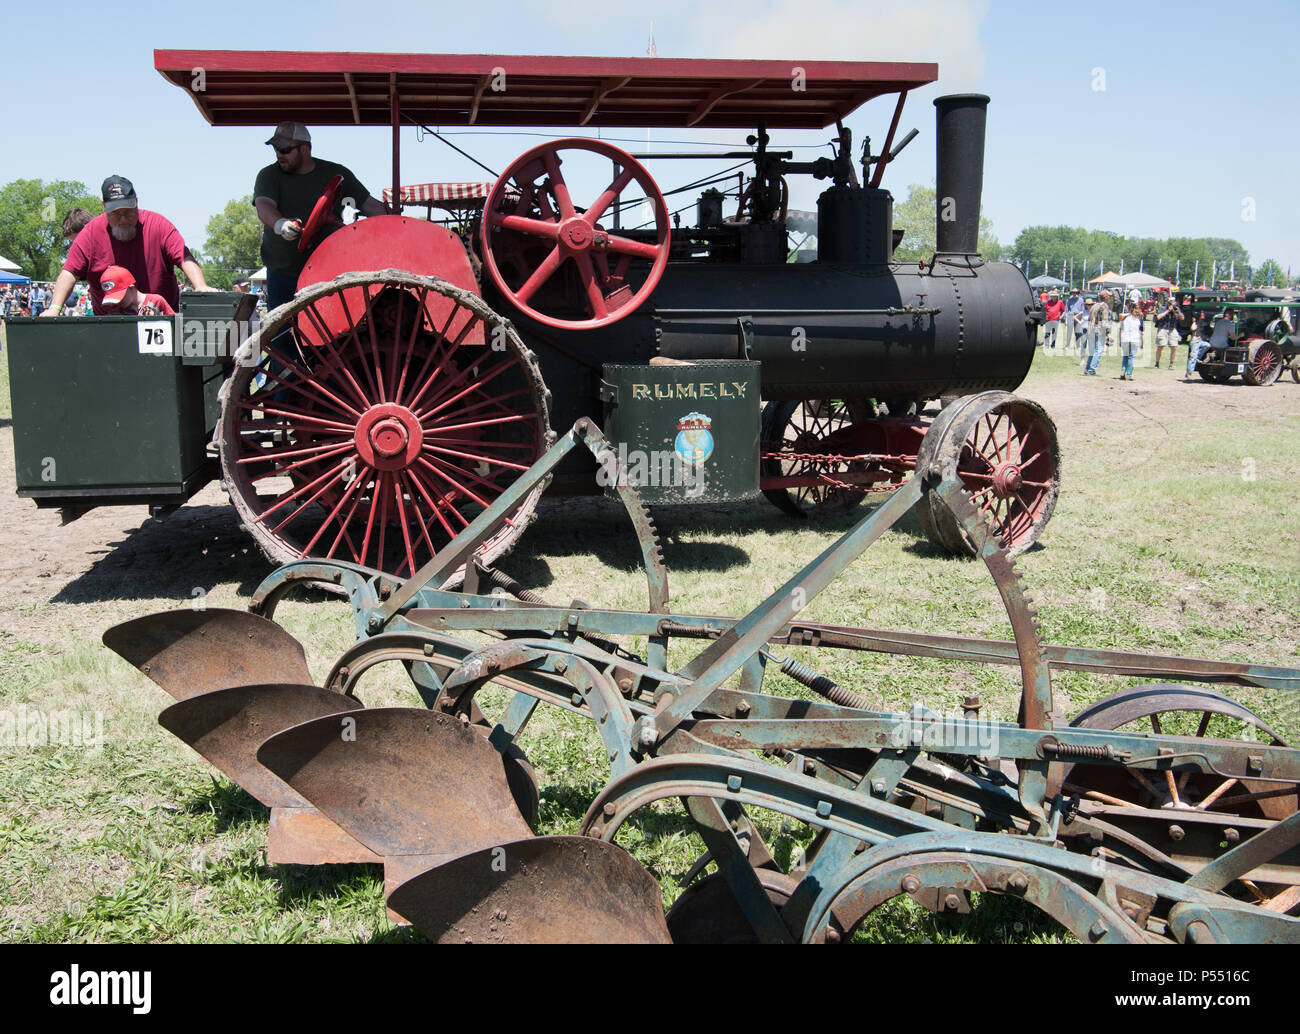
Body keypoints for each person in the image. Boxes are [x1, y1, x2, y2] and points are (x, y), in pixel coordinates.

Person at [252, 122, 387, 314]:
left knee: (332, 335)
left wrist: (391, 228)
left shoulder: (336, 173)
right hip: (283, 272)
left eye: (285, 149)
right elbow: (264, 206)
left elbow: (372, 206)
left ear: (305, 148)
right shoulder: (269, 175)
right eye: (276, 149)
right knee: (282, 338)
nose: (279, 155)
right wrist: (280, 224)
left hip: (329, 273)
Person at [43, 175, 213, 316]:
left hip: (159, 324)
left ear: (136, 202)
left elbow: (184, 257)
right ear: (104, 207)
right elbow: (69, 273)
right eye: (116, 213)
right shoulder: (90, 234)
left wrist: (201, 286)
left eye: (129, 212)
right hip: (110, 327)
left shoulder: (158, 225)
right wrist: (54, 308)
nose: (123, 219)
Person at [99, 265, 176, 316]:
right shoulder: (118, 311)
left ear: (131, 286)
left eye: (120, 297)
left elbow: (175, 324)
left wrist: (154, 319)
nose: (118, 301)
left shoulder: (156, 301)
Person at [1085, 290, 1111, 375]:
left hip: (1091, 329)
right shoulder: (1104, 306)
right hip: (1099, 330)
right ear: (1106, 297)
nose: (1109, 297)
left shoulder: (1095, 305)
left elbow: (1090, 318)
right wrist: (1108, 333)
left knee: (1092, 350)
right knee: (1098, 350)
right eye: (1108, 296)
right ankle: (1092, 370)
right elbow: (1105, 320)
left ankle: (1087, 368)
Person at [1153, 291, 1181, 369]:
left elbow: (1182, 318)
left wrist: (1178, 313)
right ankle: (1157, 363)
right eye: (1172, 303)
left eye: (1174, 303)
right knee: (1160, 346)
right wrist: (1168, 311)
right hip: (1163, 328)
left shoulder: (1176, 309)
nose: (1173, 305)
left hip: (1172, 329)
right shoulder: (1163, 308)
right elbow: (1158, 317)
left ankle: (1171, 364)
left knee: (1174, 346)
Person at [1184, 312, 1211, 380]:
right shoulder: (1195, 324)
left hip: (1201, 341)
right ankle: (1188, 373)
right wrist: (1194, 322)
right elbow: (1192, 329)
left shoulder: (1203, 324)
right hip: (1195, 341)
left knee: (1208, 345)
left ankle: (1198, 357)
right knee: (1192, 356)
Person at [1119, 303, 1142, 380]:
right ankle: (1129, 374)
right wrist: (1142, 342)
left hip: (1125, 339)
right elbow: (1142, 332)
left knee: (1125, 356)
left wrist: (1120, 340)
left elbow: (1121, 330)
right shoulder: (1139, 319)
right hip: (1134, 339)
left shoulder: (1124, 318)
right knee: (1131, 357)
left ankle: (1123, 371)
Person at [1066, 288, 1088, 356]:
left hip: (1078, 316)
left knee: (1078, 332)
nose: (1074, 294)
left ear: (1078, 293)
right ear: (1072, 293)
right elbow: (1067, 309)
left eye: (1076, 292)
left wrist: (1082, 318)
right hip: (1070, 315)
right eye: (1073, 292)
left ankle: (1078, 346)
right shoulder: (1069, 300)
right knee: (1069, 332)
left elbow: (1083, 310)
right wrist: (1066, 319)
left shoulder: (1081, 300)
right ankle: (1067, 345)